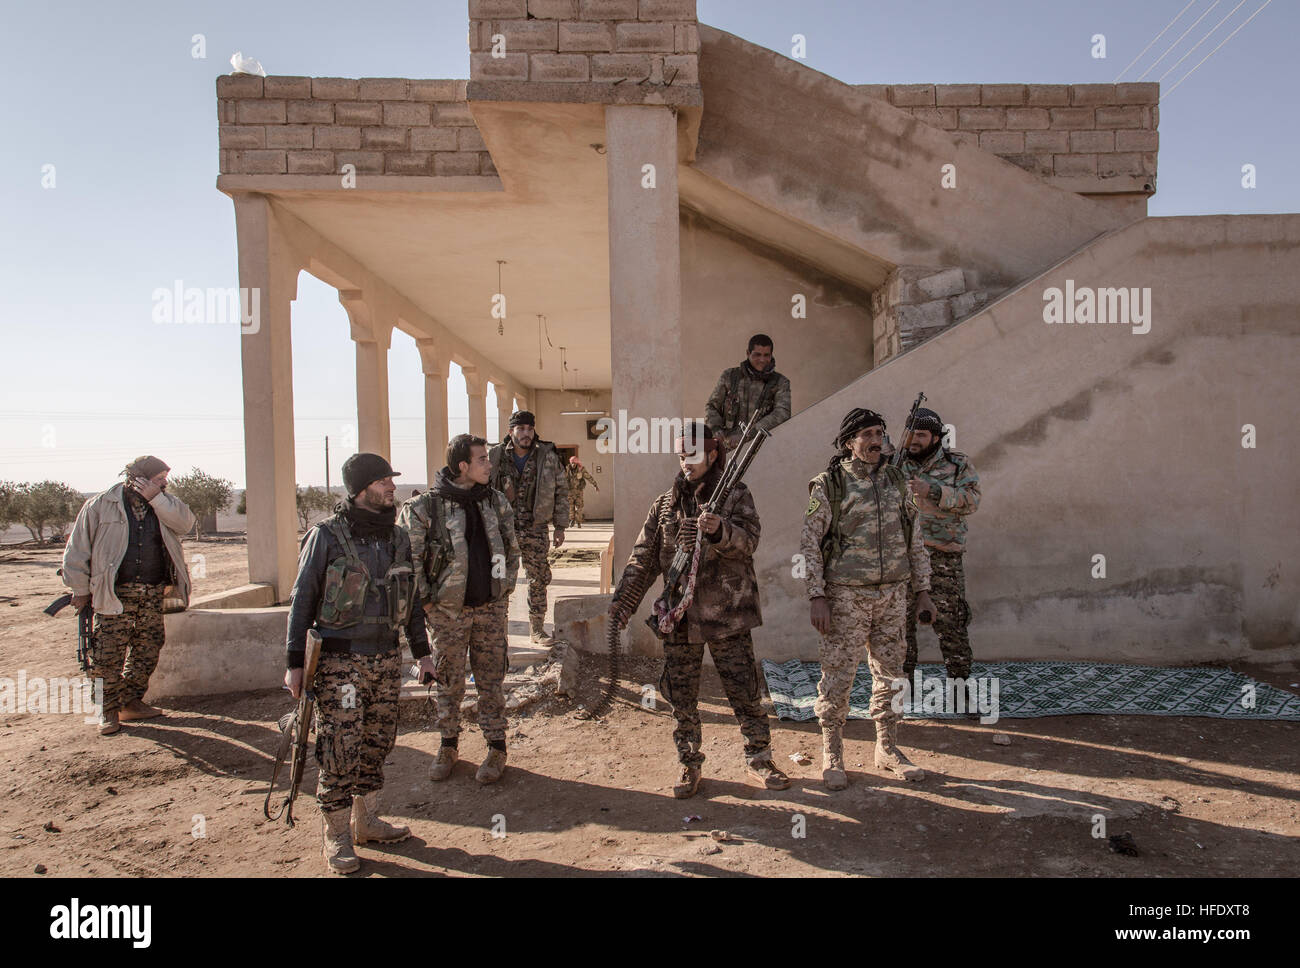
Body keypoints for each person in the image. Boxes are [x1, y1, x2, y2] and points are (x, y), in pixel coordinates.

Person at [609, 423, 790, 799]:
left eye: (692, 455)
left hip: (728, 615)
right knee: (682, 694)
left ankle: (759, 757)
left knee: (744, 691)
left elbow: (750, 542)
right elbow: (643, 559)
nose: (685, 462)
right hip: (680, 617)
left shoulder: (736, 495)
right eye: (680, 455)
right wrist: (623, 601)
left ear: (711, 455)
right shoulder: (665, 504)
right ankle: (688, 762)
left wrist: (721, 530)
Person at [284, 453, 431, 875]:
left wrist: (422, 652)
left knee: (377, 741)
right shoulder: (326, 536)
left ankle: (363, 820)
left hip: (386, 656)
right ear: (362, 488)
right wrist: (294, 662)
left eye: (391, 480)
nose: (392, 487)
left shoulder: (397, 538)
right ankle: (336, 833)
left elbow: (412, 599)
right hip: (339, 662)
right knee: (339, 746)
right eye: (384, 480)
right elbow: (302, 600)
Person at [800, 409, 936, 789]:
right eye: (868, 434)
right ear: (850, 443)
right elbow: (810, 545)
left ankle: (888, 748)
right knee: (839, 675)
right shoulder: (829, 485)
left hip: (894, 594)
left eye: (880, 432)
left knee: (892, 675)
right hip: (845, 597)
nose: (877, 440)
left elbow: (915, 539)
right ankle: (833, 752)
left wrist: (922, 591)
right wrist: (817, 595)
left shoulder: (897, 481)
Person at [398, 434, 520, 785]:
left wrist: (503, 590)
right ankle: (448, 745)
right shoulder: (425, 508)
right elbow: (412, 562)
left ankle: (496, 748)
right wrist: (428, 603)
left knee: (491, 681)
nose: (489, 464)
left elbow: (511, 550)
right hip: (447, 614)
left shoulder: (495, 502)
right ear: (462, 465)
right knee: (449, 681)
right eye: (482, 459)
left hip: (490, 610)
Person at [62, 455, 196, 736]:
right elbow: (77, 550)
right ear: (139, 478)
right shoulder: (101, 505)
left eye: (164, 479)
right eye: (159, 479)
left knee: (148, 646)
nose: (165, 483)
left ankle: (130, 700)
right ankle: (107, 709)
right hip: (114, 591)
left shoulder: (164, 503)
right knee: (107, 652)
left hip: (152, 590)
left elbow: (185, 524)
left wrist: (156, 498)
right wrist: (80, 589)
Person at [900, 407, 981, 688]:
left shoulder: (956, 465)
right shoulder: (895, 464)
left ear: (935, 437)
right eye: (910, 433)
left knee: (951, 624)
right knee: (900, 626)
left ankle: (961, 689)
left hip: (943, 556)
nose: (913, 440)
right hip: (903, 558)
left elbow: (972, 501)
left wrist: (932, 491)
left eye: (921, 435)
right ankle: (902, 689)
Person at [488, 411, 569, 645]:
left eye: (529, 429)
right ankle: (498, 629)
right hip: (503, 531)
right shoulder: (495, 456)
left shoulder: (547, 455)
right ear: (510, 431)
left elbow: (561, 490)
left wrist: (561, 526)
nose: (526, 434)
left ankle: (537, 628)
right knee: (499, 578)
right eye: (520, 429)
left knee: (538, 578)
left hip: (535, 528)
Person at [704, 334, 792, 450]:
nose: (762, 360)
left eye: (766, 355)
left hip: (762, 447)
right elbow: (712, 406)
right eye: (757, 355)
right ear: (748, 353)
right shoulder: (730, 376)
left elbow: (782, 413)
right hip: (727, 448)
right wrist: (716, 429)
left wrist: (748, 434)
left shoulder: (780, 382)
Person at [565, 456, 599, 528]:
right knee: (570, 507)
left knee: (579, 507)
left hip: (578, 492)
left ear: (577, 463)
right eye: (572, 463)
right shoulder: (567, 470)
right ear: (570, 463)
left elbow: (588, 477)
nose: (573, 464)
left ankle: (578, 522)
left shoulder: (581, 470)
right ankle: (572, 520)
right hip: (570, 491)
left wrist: (595, 485)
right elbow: (562, 479)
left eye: (574, 463)